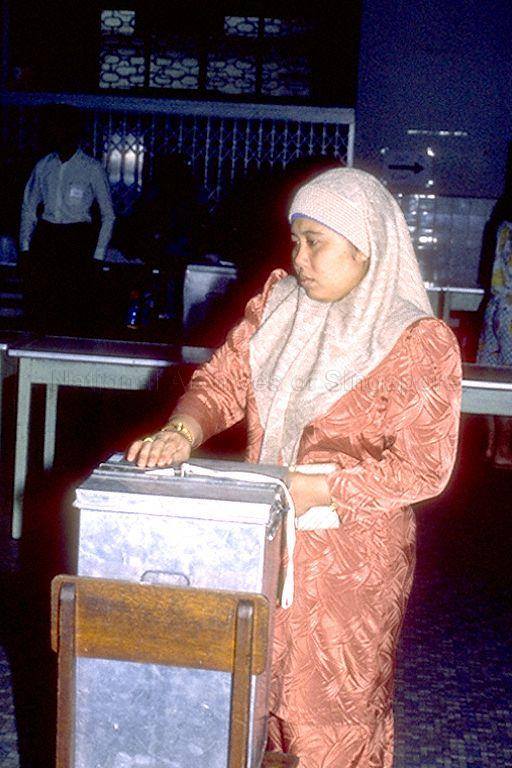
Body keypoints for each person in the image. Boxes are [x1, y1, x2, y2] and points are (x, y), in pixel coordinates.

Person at [127, 168, 462, 768]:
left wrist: (318, 488)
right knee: (255, 701)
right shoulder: (278, 305)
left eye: (316, 242)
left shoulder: (416, 340)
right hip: (261, 543)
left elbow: (424, 466)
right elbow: (225, 382)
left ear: (367, 248)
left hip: (349, 566)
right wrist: (184, 428)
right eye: (296, 240)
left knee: (330, 718)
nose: (298, 257)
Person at [19, 106, 115, 334]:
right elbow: (28, 208)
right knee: (42, 305)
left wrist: (98, 255)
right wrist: (25, 248)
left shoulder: (91, 168)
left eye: (64, 128)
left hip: (77, 240)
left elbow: (108, 215)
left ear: (75, 132)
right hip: (47, 238)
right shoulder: (43, 166)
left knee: (74, 307)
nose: (58, 133)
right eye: (55, 128)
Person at [477, 206, 512, 467]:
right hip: (510, 313)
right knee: (507, 385)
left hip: (496, 308)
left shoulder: (503, 225)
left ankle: (492, 445)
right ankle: (504, 449)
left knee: (492, 377)